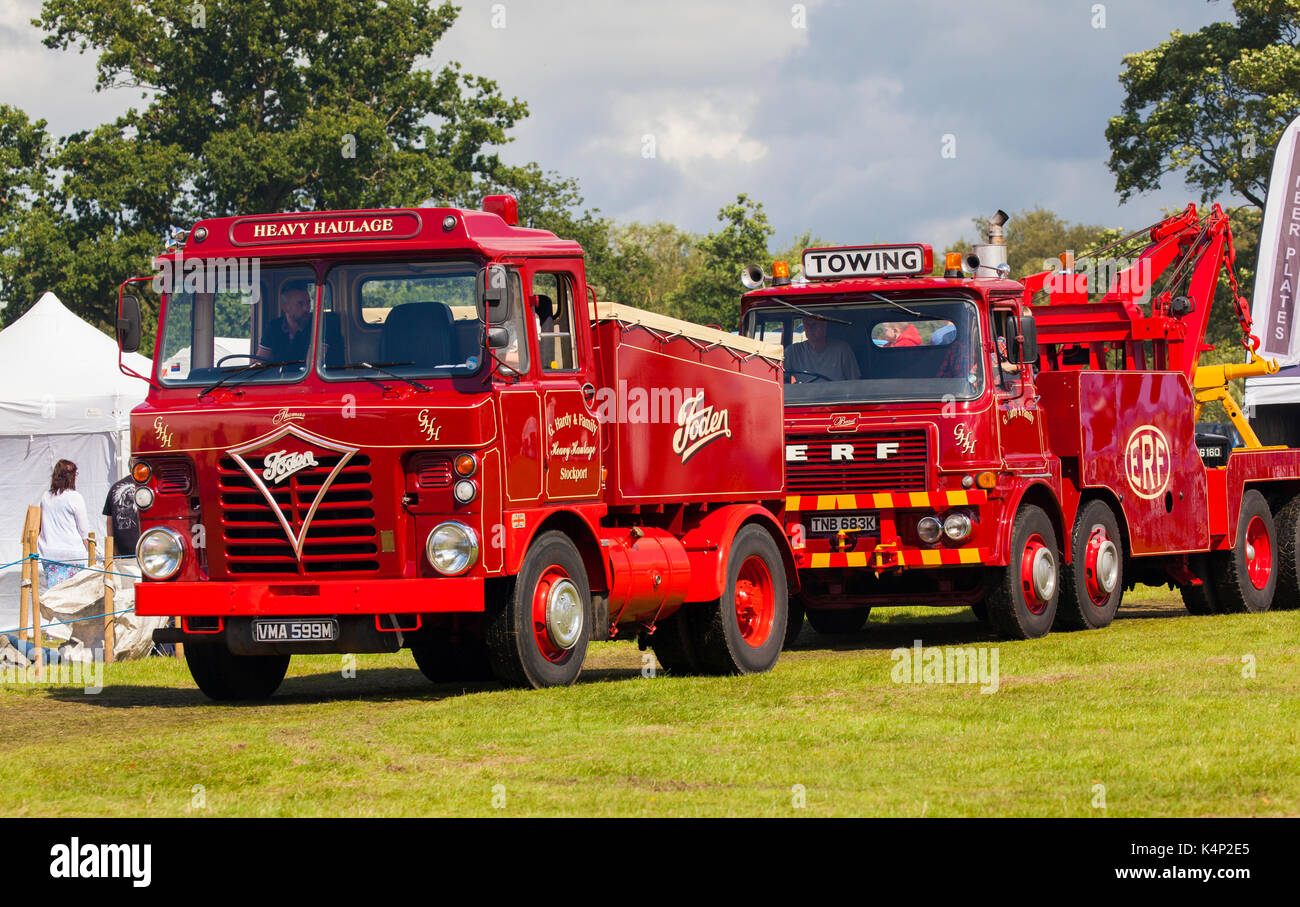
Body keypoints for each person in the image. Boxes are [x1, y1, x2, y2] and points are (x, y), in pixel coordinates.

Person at [37, 459, 91, 589]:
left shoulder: (46, 496)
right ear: (71, 477)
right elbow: (83, 530)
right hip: (73, 553)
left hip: (50, 553)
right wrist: (91, 550)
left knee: (55, 594)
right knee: (73, 596)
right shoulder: (74, 497)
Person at [255, 280, 314, 363]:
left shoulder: (316, 326)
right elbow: (258, 363)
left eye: (308, 303)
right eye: (300, 304)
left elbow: (313, 363)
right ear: (285, 307)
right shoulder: (273, 328)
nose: (306, 308)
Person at [786, 317, 860, 382]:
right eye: (806, 325)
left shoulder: (842, 349)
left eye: (814, 324)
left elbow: (855, 382)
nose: (810, 328)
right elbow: (781, 382)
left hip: (836, 397)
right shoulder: (792, 352)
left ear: (824, 326)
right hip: (804, 397)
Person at [102, 474, 141, 558]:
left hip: (123, 549)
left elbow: (109, 521)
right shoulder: (149, 485)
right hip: (145, 547)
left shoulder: (115, 487)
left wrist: (113, 547)